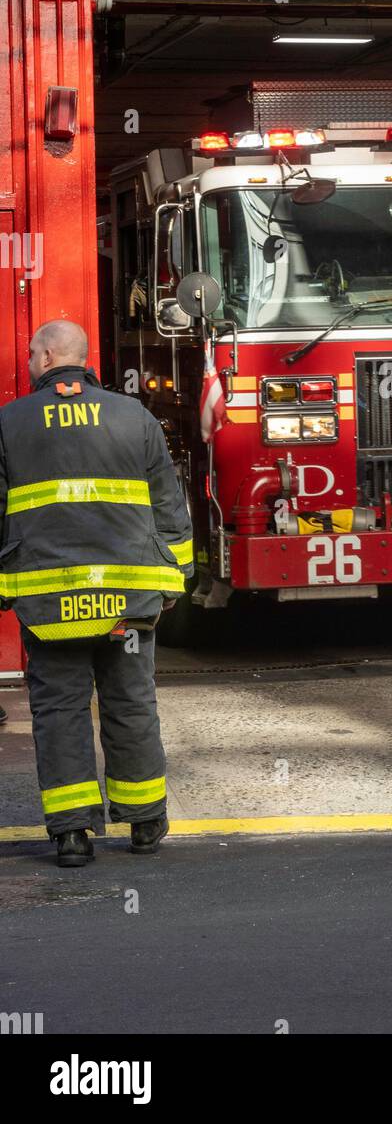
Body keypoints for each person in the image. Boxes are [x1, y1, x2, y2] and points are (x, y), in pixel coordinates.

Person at [0, 320, 193, 867]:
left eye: (32, 353)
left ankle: (73, 834)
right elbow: (168, 507)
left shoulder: (9, 423)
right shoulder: (135, 417)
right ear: (83, 360)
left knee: (59, 709)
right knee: (131, 702)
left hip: (49, 603)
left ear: (44, 357)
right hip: (129, 602)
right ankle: (145, 821)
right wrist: (175, 579)